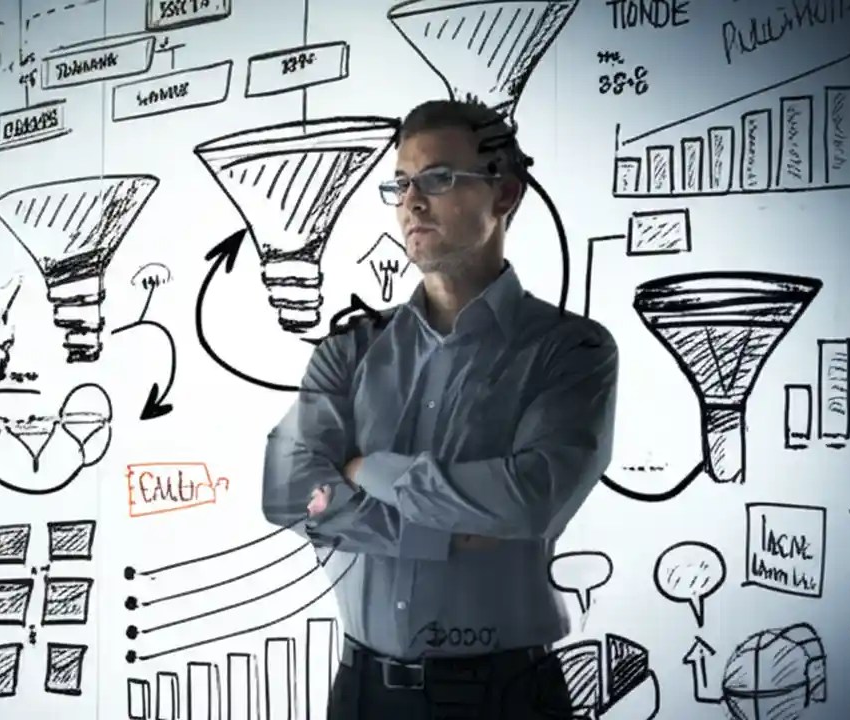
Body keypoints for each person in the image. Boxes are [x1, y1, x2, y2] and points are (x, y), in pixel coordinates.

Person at [261, 99, 619, 719]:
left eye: (439, 178)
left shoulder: (571, 350)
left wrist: (363, 471)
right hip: (361, 694)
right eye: (401, 183)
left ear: (504, 195)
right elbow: (292, 490)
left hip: (506, 698)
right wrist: (443, 530)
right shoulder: (348, 353)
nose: (411, 202)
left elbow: (529, 499)